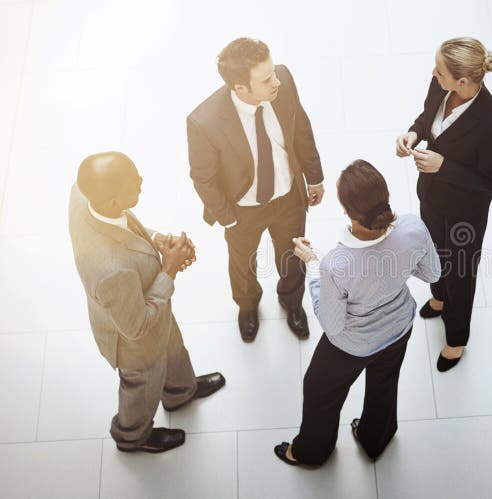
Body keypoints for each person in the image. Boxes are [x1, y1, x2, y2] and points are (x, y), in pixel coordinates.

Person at [273, 160, 441, 466]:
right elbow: (432, 274)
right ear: (385, 194)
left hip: (353, 345)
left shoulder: (336, 264)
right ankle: (375, 439)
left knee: (318, 391)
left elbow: (333, 326)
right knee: (384, 385)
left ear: (347, 210)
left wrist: (313, 264)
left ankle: (310, 452)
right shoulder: (413, 228)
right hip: (399, 328)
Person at [68, 151, 226, 453]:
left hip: (152, 306)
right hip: (136, 344)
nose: (140, 182)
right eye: (133, 183)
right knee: (141, 389)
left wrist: (155, 239)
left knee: (173, 349)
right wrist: (170, 267)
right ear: (113, 201)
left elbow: (122, 227)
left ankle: (180, 392)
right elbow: (138, 327)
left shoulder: (83, 194)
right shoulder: (110, 271)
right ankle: (132, 436)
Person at [187, 37, 324, 342]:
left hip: (289, 198)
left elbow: (301, 128)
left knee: (292, 257)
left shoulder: (283, 81)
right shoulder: (204, 122)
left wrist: (314, 177)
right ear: (240, 88)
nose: (276, 81)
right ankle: (247, 306)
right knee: (242, 264)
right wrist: (227, 218)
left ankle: (292, 303)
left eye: (273, 72)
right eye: (266, 80)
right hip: (242, 209)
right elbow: (203, 177)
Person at [395, 37, 492, 372]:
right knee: (432, 251)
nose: (433, 73)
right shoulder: (440, 83)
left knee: (460, 272)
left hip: (464, 213)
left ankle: (457, 338)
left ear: (463, 81)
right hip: (430, 195)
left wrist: (443, 166)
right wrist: (413, 134)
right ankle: (439, 296)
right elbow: (427, 116)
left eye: (440, 71)